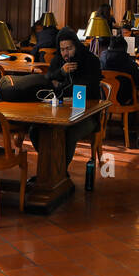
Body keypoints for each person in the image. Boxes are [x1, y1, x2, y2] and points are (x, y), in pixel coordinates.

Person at [38, 28, 103, 171]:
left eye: (69, 48)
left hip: (88, 115)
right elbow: (48, 80)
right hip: (59, 112)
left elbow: (89, 89)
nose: (66, 54)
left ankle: (60, 172)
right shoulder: (58, 61)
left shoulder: (91, 60)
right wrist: (61, 72)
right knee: (35, 131)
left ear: (77, 46)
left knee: (69, 133)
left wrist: (61, 86)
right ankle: (49, 170)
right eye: (62, 49)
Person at [99, 35, 139, 106]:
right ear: (125, 48)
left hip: (105, 98)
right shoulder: (128, 62)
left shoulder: (101, 59)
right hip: (124, 99)